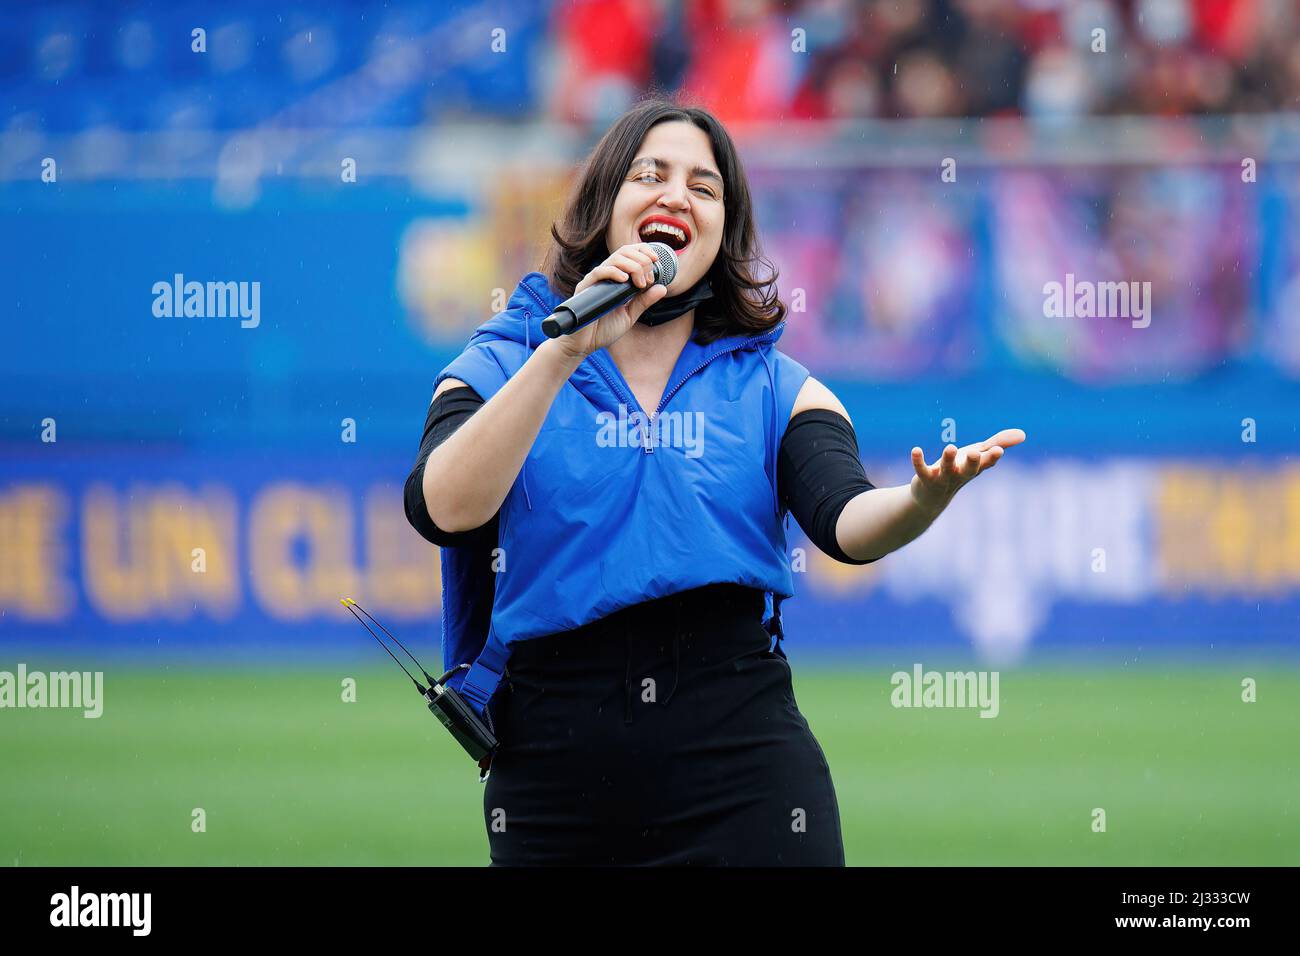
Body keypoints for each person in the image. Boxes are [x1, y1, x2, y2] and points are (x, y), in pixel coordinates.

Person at [404, 99, 1025, 865]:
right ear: (603, 205)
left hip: (742, 766)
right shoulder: (501, 362)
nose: (675, 196)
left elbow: (847, 520)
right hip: (556, 774)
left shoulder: (776, 386)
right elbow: (444, 508)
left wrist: (921, 501)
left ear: (722, 233)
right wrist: (563, 350)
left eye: (704, 187)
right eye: (650, 175)